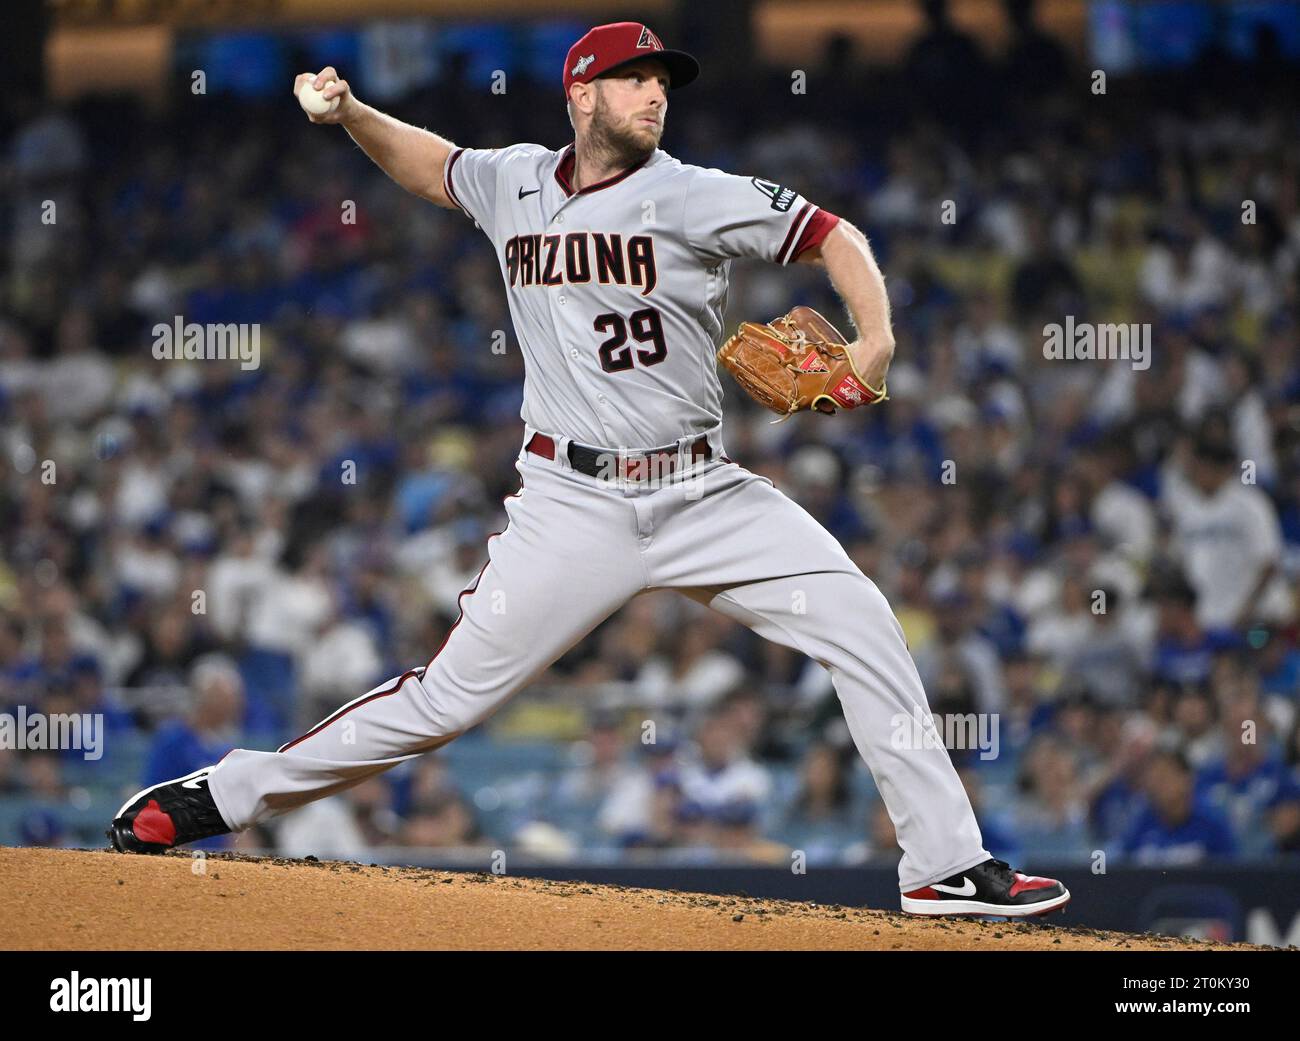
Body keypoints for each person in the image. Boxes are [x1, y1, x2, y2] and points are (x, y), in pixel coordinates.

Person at [107, 21, 1068, 917]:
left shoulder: (692, 191)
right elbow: (434, 167)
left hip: (703, 491)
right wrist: (353, 113)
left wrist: (876, 337)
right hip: (572, 501)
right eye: (633, 79)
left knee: (862, 621)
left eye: (662, 81)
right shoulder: (514, 180)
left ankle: (943, 866)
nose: (655, 94)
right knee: (444, 703)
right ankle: (225, 792)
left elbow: (832, 235)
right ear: (581, 94)